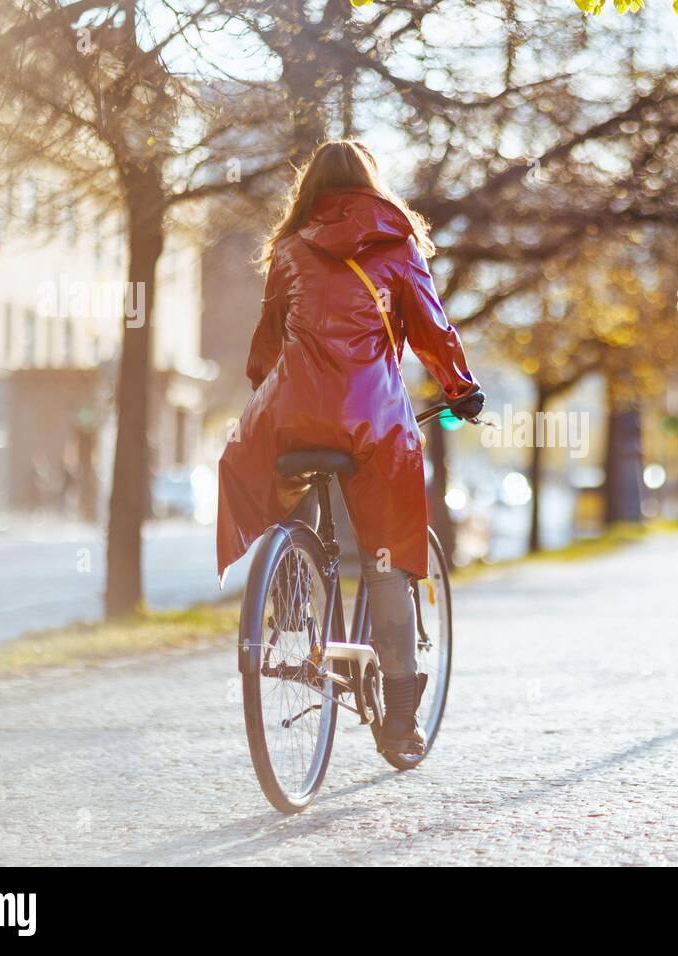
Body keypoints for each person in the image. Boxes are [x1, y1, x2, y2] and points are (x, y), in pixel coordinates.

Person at [217, 140, 484, 756]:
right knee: (387, 558)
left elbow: (265, 348)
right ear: (370, 185)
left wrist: (270, 394)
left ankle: (291, 583)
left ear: (309, 190)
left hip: (293, 417)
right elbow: (434, 333)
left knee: (281, 471)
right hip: (373, 423)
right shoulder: (396, 248)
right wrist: (461, 390)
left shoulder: (289, 251)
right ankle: (398, 721)